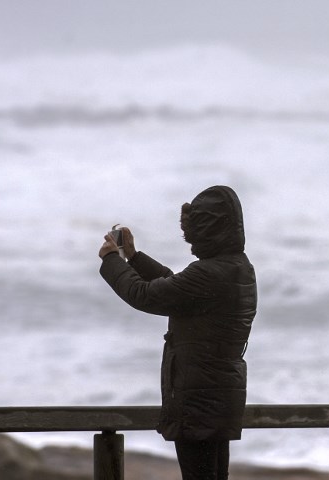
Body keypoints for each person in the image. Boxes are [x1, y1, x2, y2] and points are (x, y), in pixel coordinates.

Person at [98, 186, 257, 480]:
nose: (191, 240)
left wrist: (111, 260)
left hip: (198, 403)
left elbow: (143, 295)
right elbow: (176, 288)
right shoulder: (238, 267)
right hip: (220, 397)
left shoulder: (209, 273)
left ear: (207, 229)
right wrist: (134, 257)